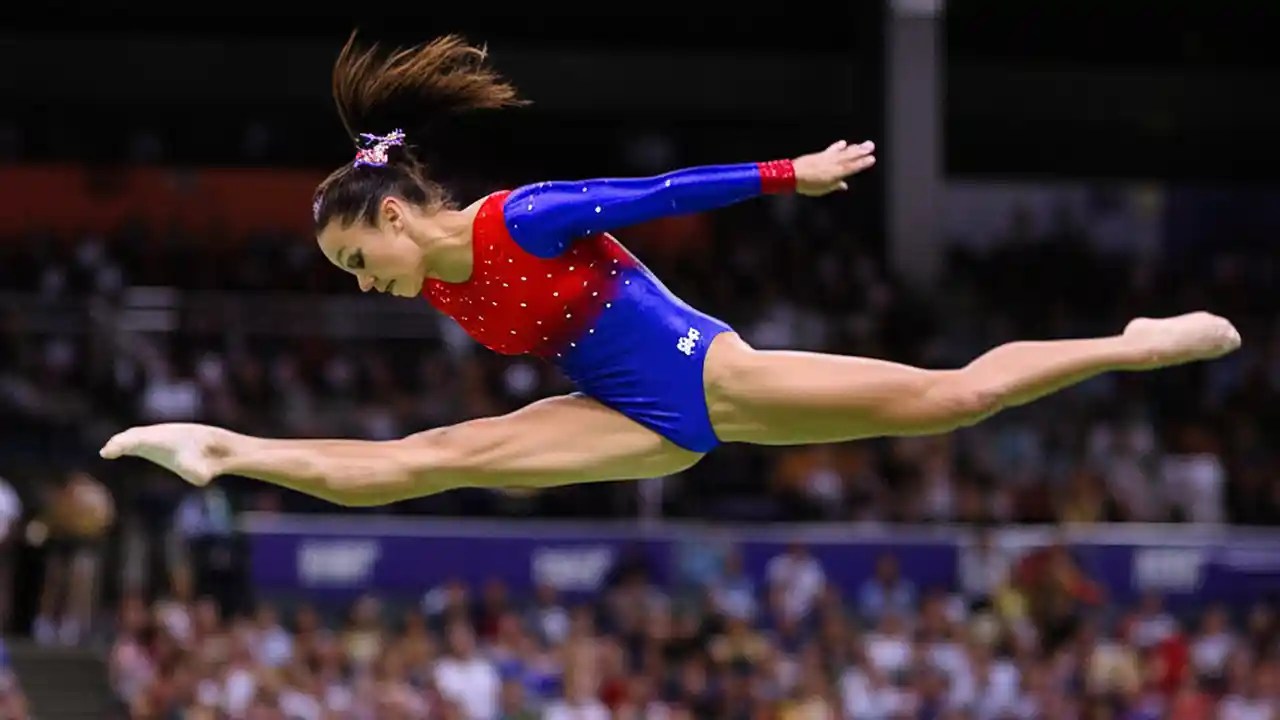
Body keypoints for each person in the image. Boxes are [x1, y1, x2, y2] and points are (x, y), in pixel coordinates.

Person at [100, 32, 1241, 505]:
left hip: (703, 374)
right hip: (626, 414)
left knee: (954, 400)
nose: (364, 284)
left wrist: (790, 175)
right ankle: (221, 450)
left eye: (359, 259)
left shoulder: (521, 219)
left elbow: (659, 195)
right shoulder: (437, 277)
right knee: (427, 463)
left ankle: (1128, 344)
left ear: (395, 213)